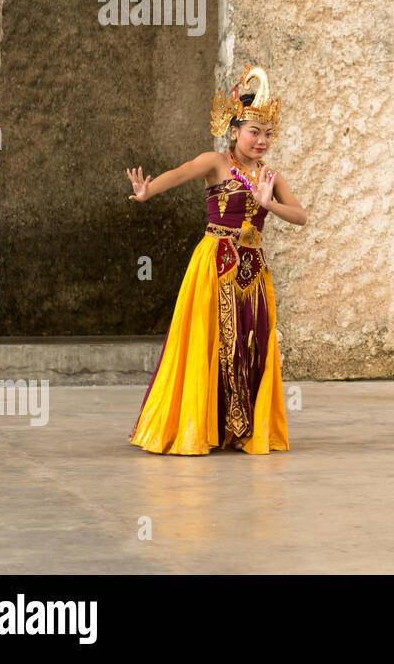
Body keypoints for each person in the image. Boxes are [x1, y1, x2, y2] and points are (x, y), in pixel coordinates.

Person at [126, 65, 306, 454]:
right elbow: (178, 173)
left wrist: (268, 203)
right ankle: (200, 427)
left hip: (253, 270)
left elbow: (301, 216)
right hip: (215, 264)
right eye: (253, 132)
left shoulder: (270, 177)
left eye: (268, 134)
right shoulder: (216, 163)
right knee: (210, 343)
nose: (262, 141)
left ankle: (241, 430)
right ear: (234, 131)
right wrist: (147, 191)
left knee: (249, 344)